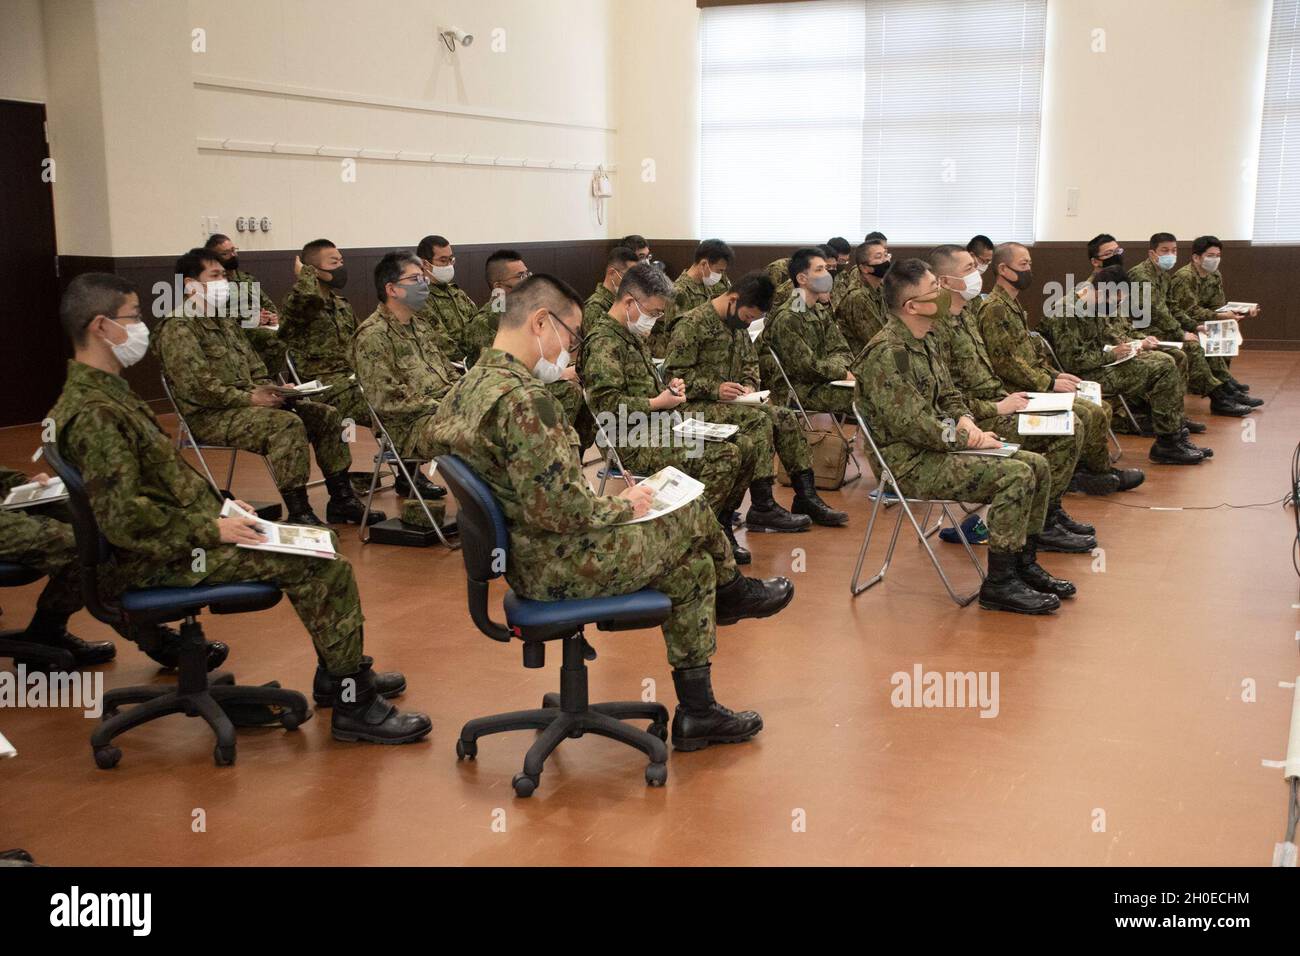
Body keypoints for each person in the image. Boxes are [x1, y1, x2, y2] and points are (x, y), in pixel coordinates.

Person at [48, 272, 429, 742]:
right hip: (156, 557)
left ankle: (338, 675)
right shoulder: (95, 413)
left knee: (320, 541)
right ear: (102, 326)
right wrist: (212, 529)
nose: (142, 327)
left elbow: (160, 481)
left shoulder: (106, 395)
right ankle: (354, 703)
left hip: (177, 536)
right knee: (323, 565)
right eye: (134, 317)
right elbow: (124, 519)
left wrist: (222, 505)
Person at [428, 273, 794, 752]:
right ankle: (733, 594)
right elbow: (562, 509)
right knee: (687, 513)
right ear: (541, 323)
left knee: (693, 568)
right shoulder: (525, 401)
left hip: (522, 554)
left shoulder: (469, 386)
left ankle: (699, 712)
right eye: (571, 336)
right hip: (555, 561)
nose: (571, 350)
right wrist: (622, 504)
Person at [852, 258, 1073, 615]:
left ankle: (1022, 565)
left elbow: (949, 396)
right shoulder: (890, 354)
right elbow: (916, 425)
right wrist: (968, 439)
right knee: (1016, 475)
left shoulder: (926, 337)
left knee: (1038, 465)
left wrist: (967, 422)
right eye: (934, 290)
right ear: (912, 306)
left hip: (937, 448)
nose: (943, 293)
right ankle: (1000, 584)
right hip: (908, 463)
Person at [155, 250, 375, 527]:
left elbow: (255, 367)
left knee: (326, 415)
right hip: (210, 415)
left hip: (247, 405)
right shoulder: (178, 327)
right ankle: (299, 510)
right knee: (286, 425)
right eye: (215, 276)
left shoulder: (225, 321)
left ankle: (342, 499)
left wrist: (276, 390)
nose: (224, 281)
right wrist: (250, 397)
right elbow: (198, 388)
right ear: (190, 284)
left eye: (224, 275)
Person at [927, 244, 1111, 549]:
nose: (977, 275)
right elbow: (943, 399)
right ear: (945, 281)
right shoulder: (937, 327)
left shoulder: (966, 315)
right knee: (1070, 428)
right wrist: (997, 407)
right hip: (980, 417)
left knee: (1074, 418)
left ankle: (1047, 513)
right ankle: (1042, 523)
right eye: (969, 269)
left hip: (1001, 400)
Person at [582, 263, 762, 562]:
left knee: (745, 445)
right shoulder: (604, 342)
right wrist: (657, 403)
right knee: (725, 456)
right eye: (653, 313)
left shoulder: (628, 335)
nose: (655, 321)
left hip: (659, 427)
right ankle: (691, 539)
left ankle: (717, 525)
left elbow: (641, 388)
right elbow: (606, 408)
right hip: (630, 440)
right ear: (629, 302)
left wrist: (669, 389)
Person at [663, 272, 846, 528]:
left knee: (784, 416)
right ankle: (762, 505)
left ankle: (806, 496)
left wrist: (749, 385)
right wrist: (715, 389)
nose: (749, 323)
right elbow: (673, 377)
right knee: (758, 421)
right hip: (693, 406)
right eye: (748, 316)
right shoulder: (692, 324)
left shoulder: (737, 324)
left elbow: (750, 362)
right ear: (733, 300)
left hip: (730, 402)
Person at [976, 242, 1127, 494]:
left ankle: (1090, 471)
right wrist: (1050, 383)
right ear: (1003, 269)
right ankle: (1094, 474)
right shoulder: (996, 308)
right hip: (1017, 391)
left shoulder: (1011, 304)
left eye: (1030, 264)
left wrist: (1055, 374)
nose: (1029, 270)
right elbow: (1007, 363)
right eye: (1023, 264)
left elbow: (1030, 355)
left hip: (1033, 381)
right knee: (1089, 413)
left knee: (1097, 407)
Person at [1046, 264, 1207, 464]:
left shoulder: (1098, 302)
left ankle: (1174, 435)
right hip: (1083, 375)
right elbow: (1073, 362)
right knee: (1164, 367)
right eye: (1116, 300)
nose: (1117, 306)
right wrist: (1113, 355)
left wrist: (1133, 345)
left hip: (1102, 364)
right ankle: (1168, 443)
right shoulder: (1067, 311)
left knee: (1167, 359)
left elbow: (1108, 336)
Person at [1127, 232, 1253, 417]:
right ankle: (1218, 397)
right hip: (1142, 330)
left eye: (1174, 250)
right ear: (1152, 253)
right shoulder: (1142, 276)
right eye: (1165, 250)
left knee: (1202, 337)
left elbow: (1172, 307)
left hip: (1160, 326)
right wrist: (1181, 333)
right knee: (1192, 347)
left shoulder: (1162, 274)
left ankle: (1225, 387)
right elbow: (1157, 312)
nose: (1171, 255)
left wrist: (1194, 326)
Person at [352, 252, 461, 463]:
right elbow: (386, 400)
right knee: (482, 435)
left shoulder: (420, 326)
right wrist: (445, 406)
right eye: (414, 279)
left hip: (443, 413)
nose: (423, 284)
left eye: (423, 278)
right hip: (409, 429)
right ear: (392, 289)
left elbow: (448, 371)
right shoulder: (372, 336)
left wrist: (464, 396)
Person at [278, 238, 370, 427]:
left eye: (341, 262)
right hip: (322, 386)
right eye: (334, 263)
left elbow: (363, 340)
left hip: (351, 379)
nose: (340, 268)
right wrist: (305, 275)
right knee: (383, 402)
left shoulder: (342, 305)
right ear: (314, 270)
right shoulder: (299, 304)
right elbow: (307, 299)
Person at [757, 247, 856, 416]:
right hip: (801, 389)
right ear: (802, 278)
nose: (827, 274)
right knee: (869, 396)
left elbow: (843, 350)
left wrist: (838, 371)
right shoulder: (788, 318)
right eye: (819, 269)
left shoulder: (818, 310)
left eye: (826, 268)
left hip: (825, 380)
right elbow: (806, 367)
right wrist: (840, 372)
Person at [1169, 235, 1261, 405]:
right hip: (1185, 322)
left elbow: (1218, 306)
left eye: (1218, 255)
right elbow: (1189, 311)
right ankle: (1222, 387)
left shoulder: (1215, 275)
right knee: (1212, 332)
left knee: (1227, 327)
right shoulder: (1184, 277)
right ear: (1196, 257)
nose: (1215, 259)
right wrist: (1219, 316)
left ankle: (1224, 380)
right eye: (1210, 256)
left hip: (1205, 319)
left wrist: (1241, 312)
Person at [203, 233, 286, 376]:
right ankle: (261, 378)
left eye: (234, 250)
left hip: (259, 327)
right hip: (231, 333)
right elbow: (215, 316)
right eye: (226, 253)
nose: (233, 255)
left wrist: (271, 316)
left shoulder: (246, 279)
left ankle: (268, 379)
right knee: (275, 340)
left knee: (288, 332)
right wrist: (250, 319)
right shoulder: (210, 283)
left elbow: (267, 303)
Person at [648, 239, 734, 358]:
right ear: (704, 264)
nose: (720, 275)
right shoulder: (679, 292)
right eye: (719, 271)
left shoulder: (708, 284)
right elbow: (677, 338)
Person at [461, 249, 531, 368]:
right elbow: (500, 367)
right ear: (499, 286)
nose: (528, 280)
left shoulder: (527, 311)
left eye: (527, 274)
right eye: (520, 276)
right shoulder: (485, 323)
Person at [415, 234, 478, 363]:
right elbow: (441, 342)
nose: (449, 265)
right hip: (449, 364)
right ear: (425, 264)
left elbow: (477, 324)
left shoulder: (457, 293)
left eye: (451, 259)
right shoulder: (420, 297)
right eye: (443, 261)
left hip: (474, 358)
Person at [835, 237, 891, 356]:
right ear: (864, 268)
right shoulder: (858, 297)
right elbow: (877, 340)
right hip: (862, 359)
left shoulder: (880, 289)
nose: (885, 260)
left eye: (886, 255)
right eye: (878, 257)